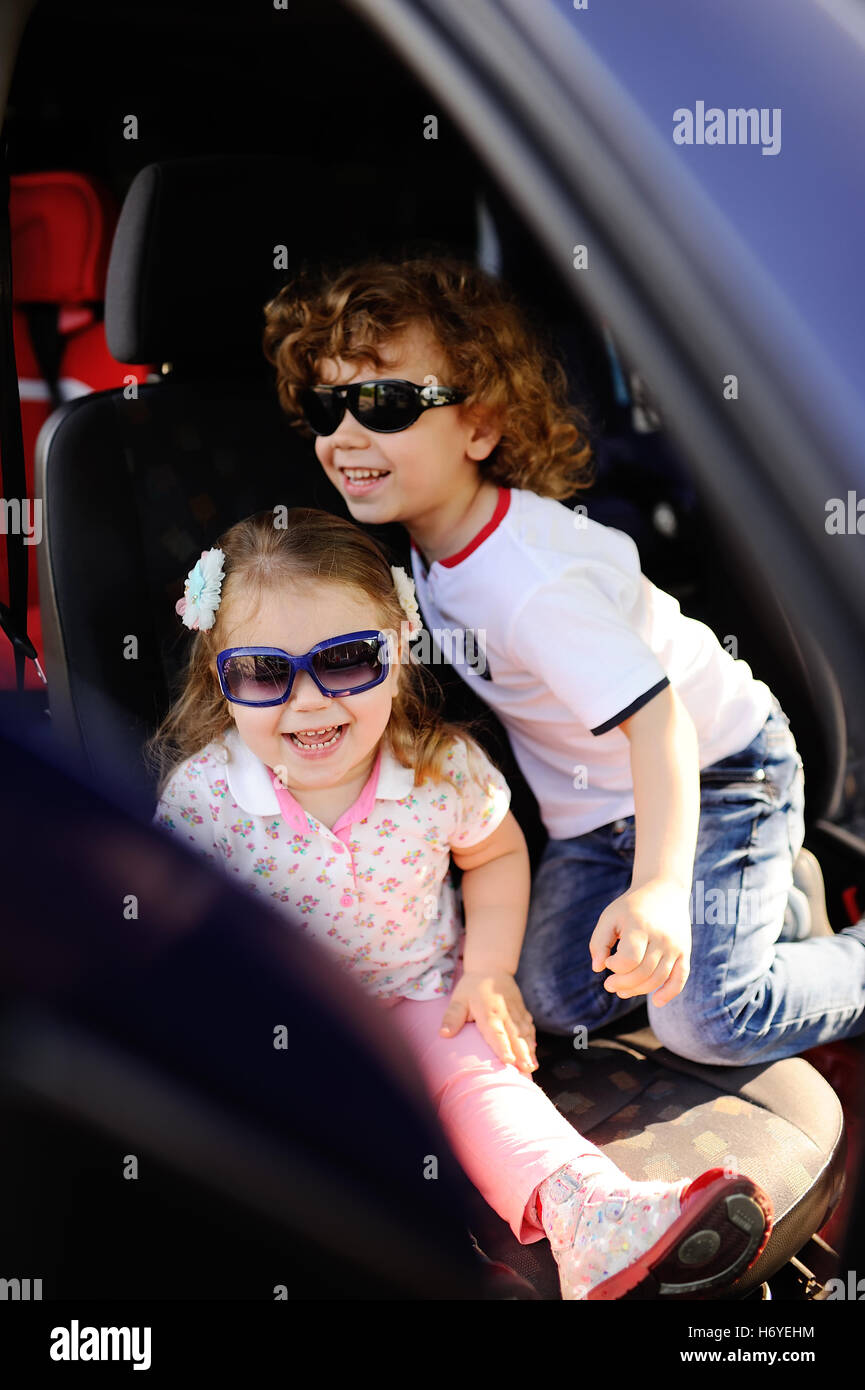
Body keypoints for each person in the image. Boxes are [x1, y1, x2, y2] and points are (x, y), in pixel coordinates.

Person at [151, 509, 771, 1300]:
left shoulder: (441, 767)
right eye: (264, 673)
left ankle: (596, 1219)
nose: (307, 702)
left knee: (487, 1092)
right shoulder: (205, 798)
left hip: (423, 994)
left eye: (344, 661)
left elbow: (496, 853)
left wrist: (486, 971)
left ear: (399, 656)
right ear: (220, 679)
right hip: (288, 1014)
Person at [262, 256, 865, 1068]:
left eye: (385, 404)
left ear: (478, 426)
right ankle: (775, 902)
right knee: (554, 995)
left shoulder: (531, 586)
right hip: (597, 814)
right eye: (326, 407)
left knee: (711, 1021)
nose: (344, 434)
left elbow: (663, 726)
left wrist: (655, 890)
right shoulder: (428, 549)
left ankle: (816, 943)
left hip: (717, 774)